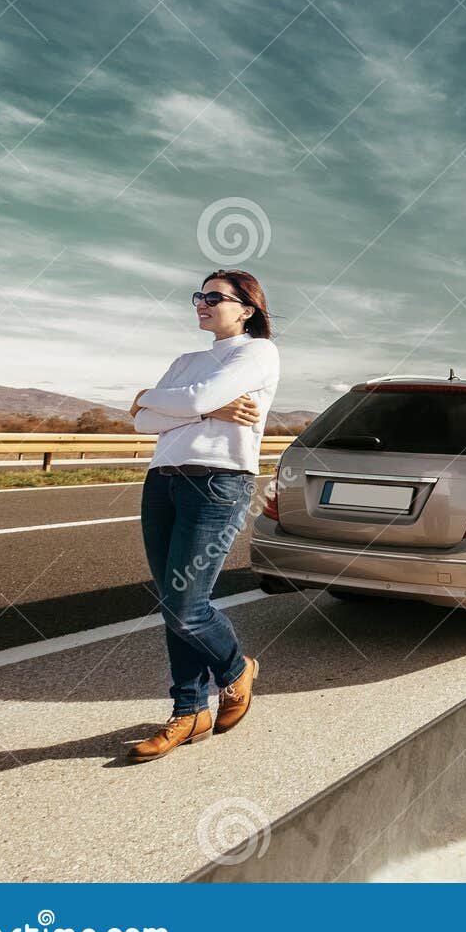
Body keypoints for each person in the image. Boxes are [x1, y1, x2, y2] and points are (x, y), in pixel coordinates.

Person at [126, 268, 279, 762]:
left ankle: (236, 671)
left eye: (215, 297)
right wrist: (206, 412)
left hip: (217, 483)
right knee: (174, 603)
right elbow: (146, 424)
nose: (202, 303)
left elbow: (171, 403)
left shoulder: (257, 352)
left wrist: (150, 398)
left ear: (247, 309)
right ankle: (188, 711)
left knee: (184, 605)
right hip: (162, 481)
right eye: (199, 295)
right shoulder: (186, 359)